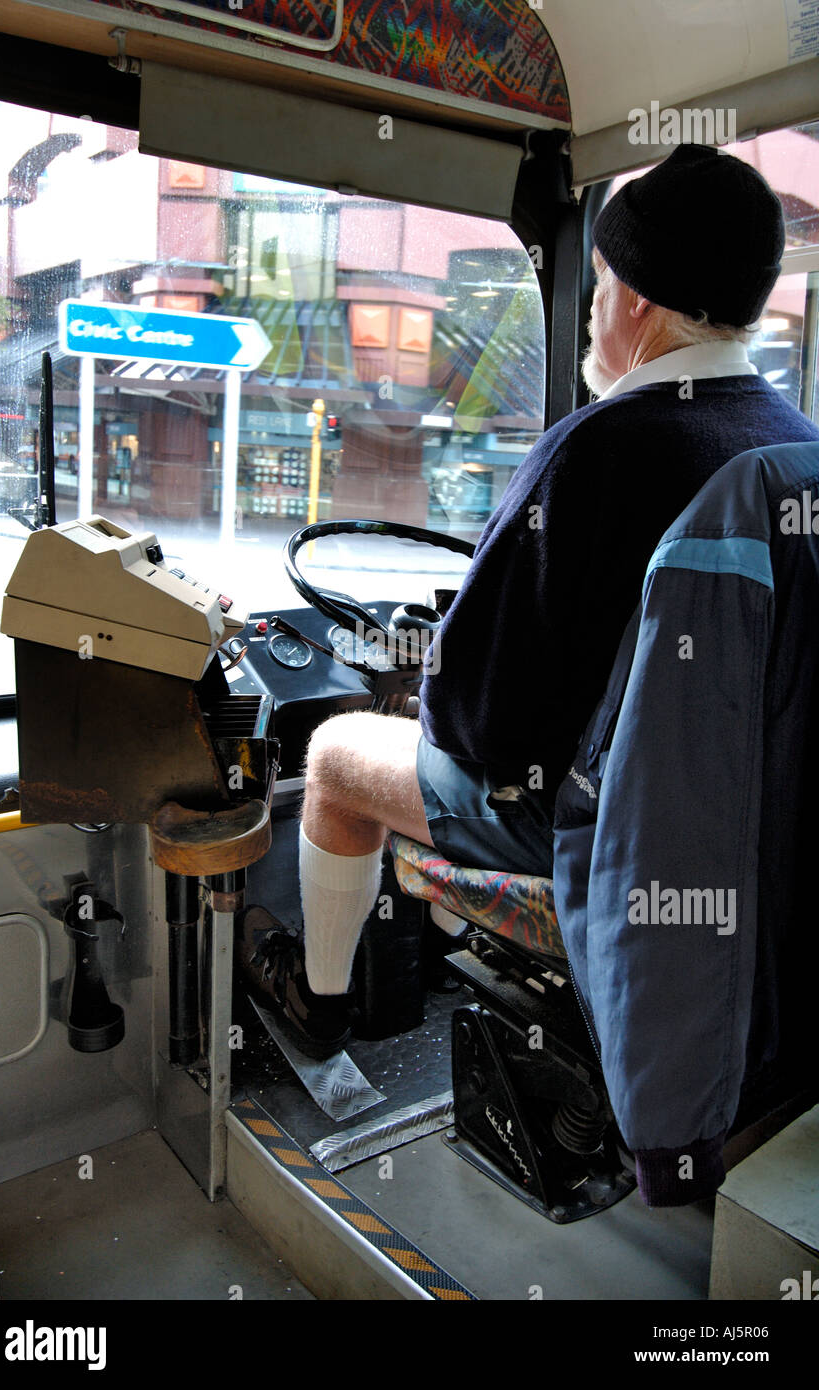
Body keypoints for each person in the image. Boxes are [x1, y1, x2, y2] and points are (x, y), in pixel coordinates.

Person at [238, 142, 819, 1058]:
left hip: (598, 821)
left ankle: (321, 1006)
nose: (592, 308)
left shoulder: (598, 449)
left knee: (341, 754)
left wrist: (419, 687)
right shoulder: (796, 446)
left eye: (599, 282)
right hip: (753, 812)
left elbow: (480, 726)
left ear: (636, 297)